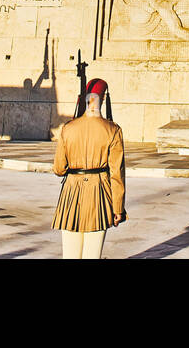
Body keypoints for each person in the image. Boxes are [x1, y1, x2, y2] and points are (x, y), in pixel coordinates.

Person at [52, 78, 126, 258]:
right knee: (92, 253)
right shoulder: (113, 130)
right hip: (99, 192)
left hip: (71, 193)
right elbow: (116, 173)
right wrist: (118, 208)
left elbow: (59, 169)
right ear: (104, 98)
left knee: (70, 254)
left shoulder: (68, 128)